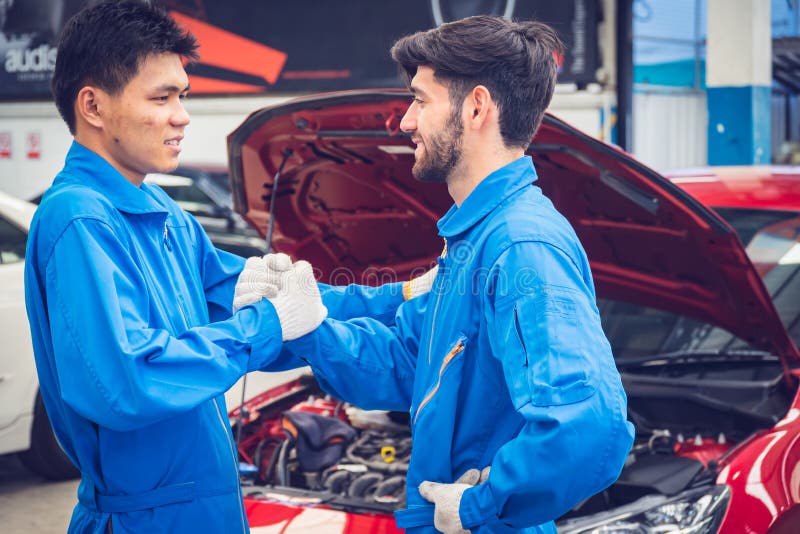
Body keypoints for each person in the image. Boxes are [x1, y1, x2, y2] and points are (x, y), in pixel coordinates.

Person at [24, 2, 429, 533]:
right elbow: (129, 381)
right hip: (144, 519)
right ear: (93, 106)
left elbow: (281, 300)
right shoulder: (79, 220)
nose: (182, 115)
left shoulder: (164, 216)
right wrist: (266, 325)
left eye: (182, 96)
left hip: (206, 507)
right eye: (161, 97)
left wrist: (396, 296)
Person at [254, 16, 635, 534]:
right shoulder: (475, 242)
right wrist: (308, 327)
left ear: (476, 106)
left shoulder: (522, 246)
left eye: (420, 100)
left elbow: (589, 427)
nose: (405, 122)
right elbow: (405, 363)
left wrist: (482, 506)